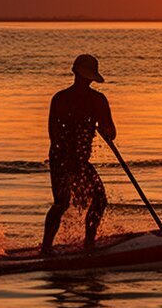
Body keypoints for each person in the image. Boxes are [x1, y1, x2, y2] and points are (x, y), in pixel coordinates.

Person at [41, 54, 117, 255]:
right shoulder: (65, 99)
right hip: (63, 158)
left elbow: (111, 132)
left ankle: (86, 243)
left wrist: (103, 128)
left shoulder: (95, 100)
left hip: (74, 159)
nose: (85, 80)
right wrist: (70, 161)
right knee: (62, 202)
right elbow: (54, 134)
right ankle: (48, 248)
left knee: (96, 200)